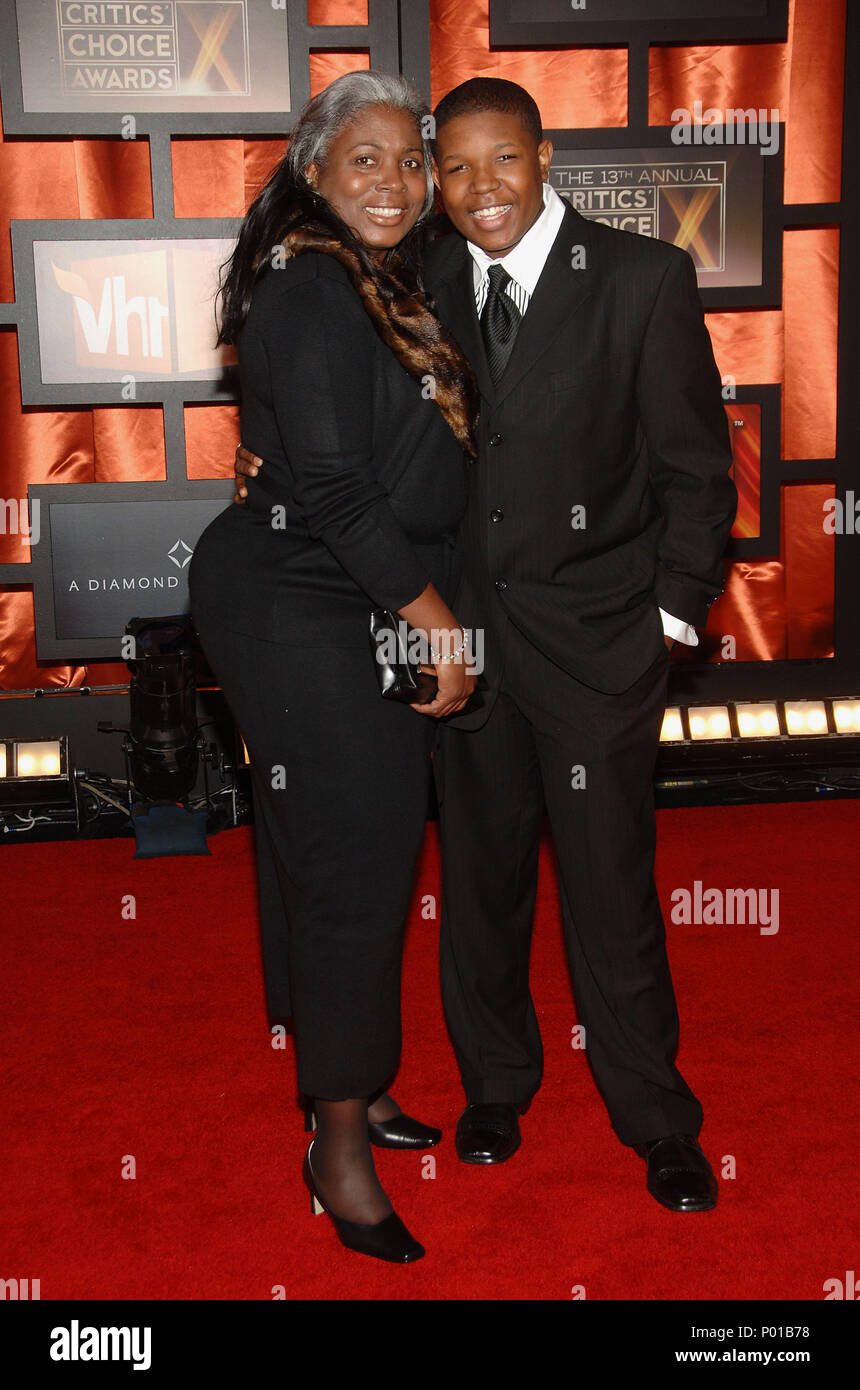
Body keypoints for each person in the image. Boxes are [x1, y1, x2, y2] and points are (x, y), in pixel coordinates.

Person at [235, 77, 738, 1214]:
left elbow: (696, 471)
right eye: (450, 168)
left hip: (601, 642)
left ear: (542, 155)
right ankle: (495, 1089)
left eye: (498, 161)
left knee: (609, 889)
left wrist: (664, 620)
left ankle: (655, 1116)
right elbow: (342, 429)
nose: (474, 190)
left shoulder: (638, 278)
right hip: (465, 640)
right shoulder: (412, 282)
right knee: (479, 884)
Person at [189, 70, 478, 1264]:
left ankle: (343, 1081)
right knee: (356, 858)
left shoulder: (398, 281)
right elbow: (345, 494)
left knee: (342, 846)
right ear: (313, 171)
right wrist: (437, 625)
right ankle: (337, 1143)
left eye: (409, 160)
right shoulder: (308, 292)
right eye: (364, 160)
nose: (396, 181)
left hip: (349, 584)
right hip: (296, 601)